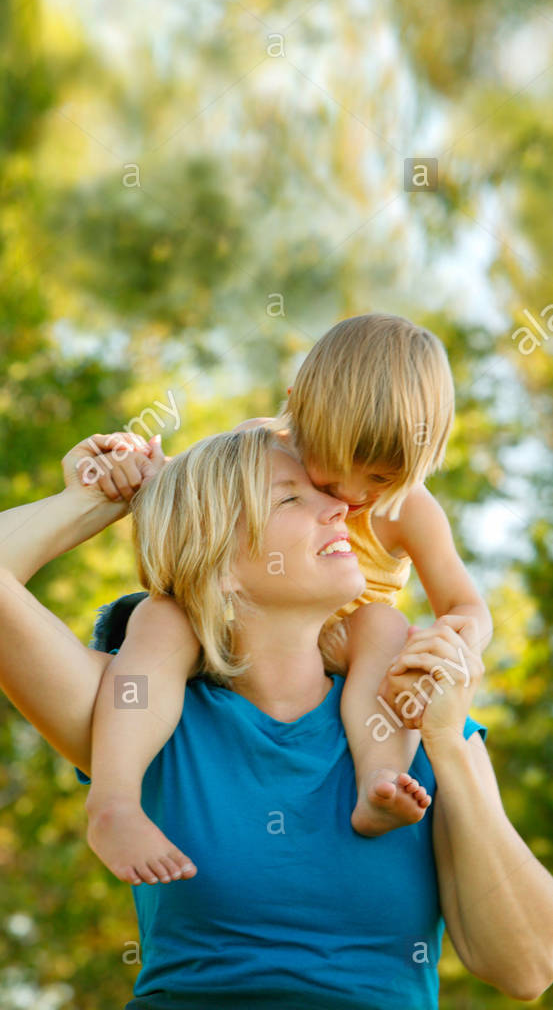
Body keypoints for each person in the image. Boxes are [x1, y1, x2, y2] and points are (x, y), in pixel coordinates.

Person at [0, 427, 552, 1010]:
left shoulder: (413, 715)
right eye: (291, 500)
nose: (342, 510)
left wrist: (448, 743)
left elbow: (526, 966)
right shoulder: (138, 710)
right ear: (218, 552)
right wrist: (101, 497)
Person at [83, 315, 493, 887]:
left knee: (384, 623)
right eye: (328, 472)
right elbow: (192, 485)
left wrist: (451, 645)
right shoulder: (260, 445)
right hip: (239, 625)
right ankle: (113, 802)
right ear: (296, 407)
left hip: (337, 645)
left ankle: (377, 783)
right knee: (162, 617)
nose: (350, 497)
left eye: (377, 478)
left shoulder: (409, 508)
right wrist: (133, 461)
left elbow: (466, 605)